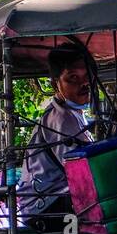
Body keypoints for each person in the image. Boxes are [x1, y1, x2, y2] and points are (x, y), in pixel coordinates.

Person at [16, 46, 94, 223]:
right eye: (73, 78)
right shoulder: (61, 119)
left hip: (54, 200)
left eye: (86, 76)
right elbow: (81, 171)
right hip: (45, 207)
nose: (83, 83)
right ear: (55, 84)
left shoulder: (73, 113)